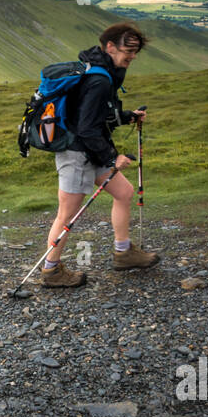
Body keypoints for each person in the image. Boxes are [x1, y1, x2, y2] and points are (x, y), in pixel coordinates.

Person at [41, 23, 159, 287]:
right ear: (109, 47)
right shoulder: (99, 79)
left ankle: (123, 253)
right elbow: (86, 127)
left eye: (136, 50)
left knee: (124, 193)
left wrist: (127, 116)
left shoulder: (103, 72)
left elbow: (96, 115)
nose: (132, 55)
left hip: (90, 150)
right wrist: (112, 157)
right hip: (76, 154)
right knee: (67, 214)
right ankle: (51, 271)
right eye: (128, 49)